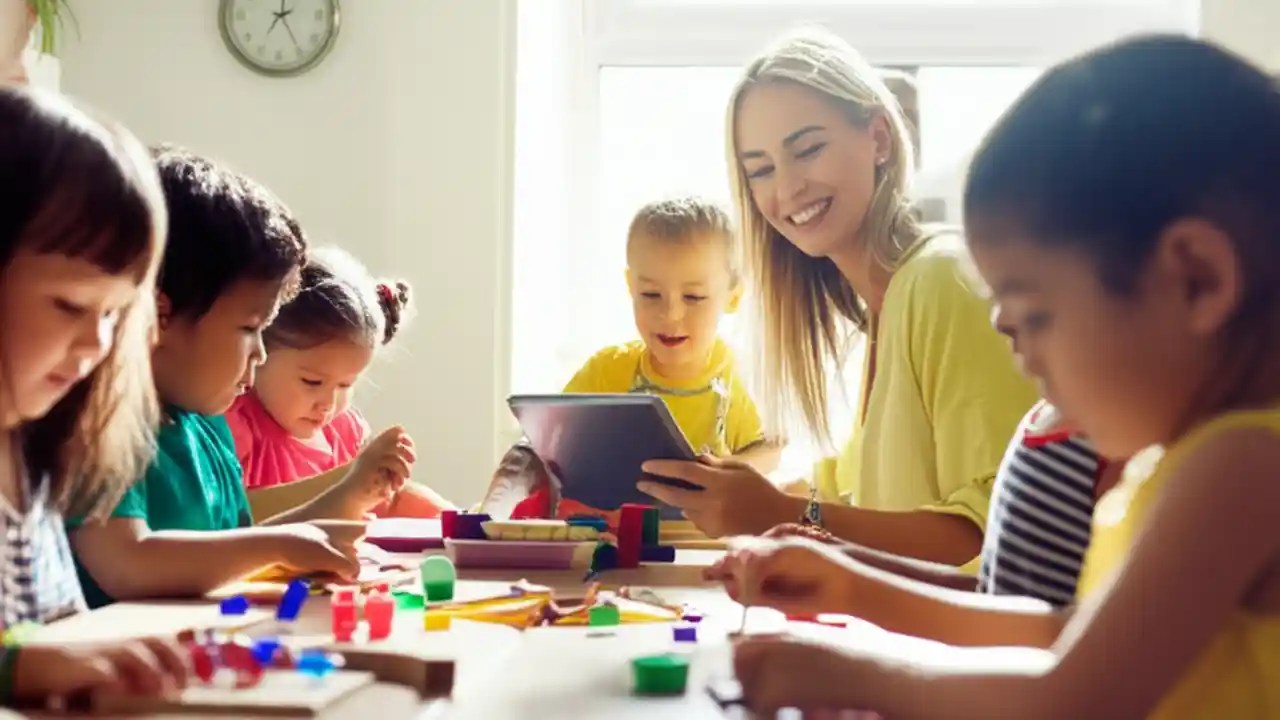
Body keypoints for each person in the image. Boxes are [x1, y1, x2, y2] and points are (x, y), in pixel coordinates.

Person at [731, 35, 1280, 718]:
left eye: (1035, 313)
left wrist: (857, 677)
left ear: (1197, 279)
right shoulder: (1183, 463)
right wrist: (852, 587)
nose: (1009, 342)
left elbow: (1074, 695)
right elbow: (1065, 637)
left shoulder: (1242, 465)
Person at [640, 30, 1036, 568]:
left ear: (879, 138)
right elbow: (848, 495)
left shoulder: (942, 282)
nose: (787, 188)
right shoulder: (883, 314)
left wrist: (781, 514)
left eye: (807, 149)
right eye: (760, 170)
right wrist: (729, 493)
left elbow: (998, 533)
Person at [69, 146, 409, 608]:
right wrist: (282, 544)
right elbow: (129, 563)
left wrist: (312, 532)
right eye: (250, 329)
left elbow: (229, 550)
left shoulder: (206, 424)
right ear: (160, 316)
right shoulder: (97, 420)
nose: (261, 353)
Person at [0, 86, 188, 704]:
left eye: (114, 314)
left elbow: (52, 638)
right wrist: (21, 668)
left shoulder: (33, 463)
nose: (97, 343)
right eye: (71, 306)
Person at [482, 197, 779, 519]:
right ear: (630, 286)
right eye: (651, 295)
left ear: (732, 298)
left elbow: (771, 450)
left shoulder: (740, 376)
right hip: (610, 543)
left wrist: (719, 475)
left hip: (702, 546)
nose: (671, 314)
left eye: (693, 297)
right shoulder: (607, 371)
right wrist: (496, 508)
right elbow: (539, 446)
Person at [224, 247, 451, 518]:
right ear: (259, 352)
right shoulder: (234, 427)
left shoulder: (344, 430)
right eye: (312, 381)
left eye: (346, 385)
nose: (328, 404)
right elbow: (229, 518)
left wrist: (460, 520)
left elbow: (391, 501)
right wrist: (347, 481)